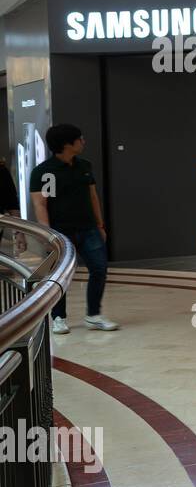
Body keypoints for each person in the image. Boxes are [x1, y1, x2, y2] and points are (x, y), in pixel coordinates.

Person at [29, 124, 117, 333]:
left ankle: (94, 315)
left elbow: (92, 196)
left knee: (99, 269)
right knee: (60, 276)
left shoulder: (84, 166)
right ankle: (59, 317)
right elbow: (41, 204)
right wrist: (48, 235)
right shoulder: (44, 172)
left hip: (89, 229)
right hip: (60, 233)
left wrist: (100, 224)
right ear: (67, 144)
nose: (83, 142)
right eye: (80, 139)